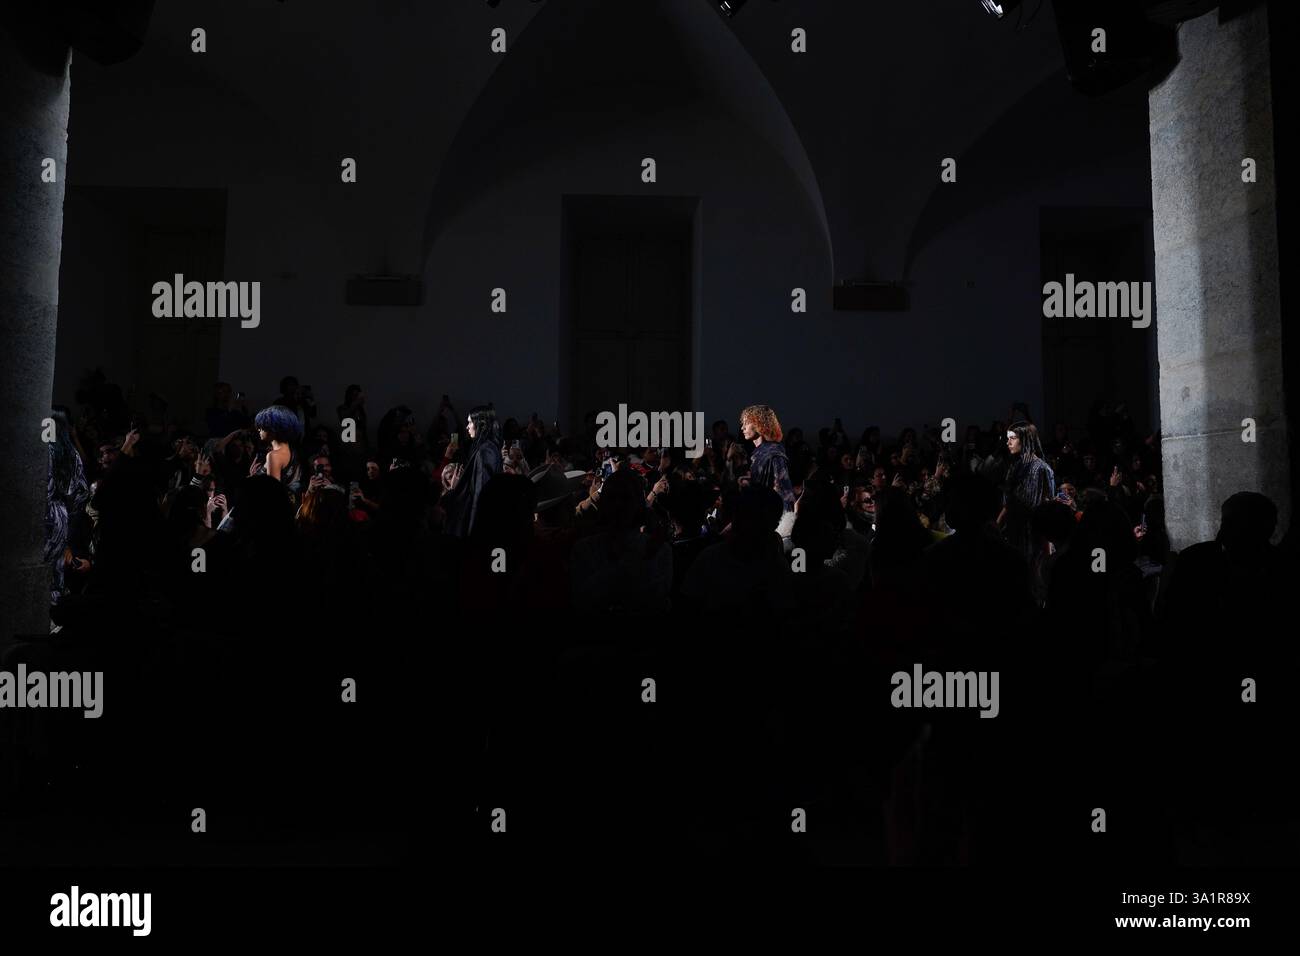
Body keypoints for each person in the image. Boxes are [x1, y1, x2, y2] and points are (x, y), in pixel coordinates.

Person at [45, 409, 91, 607]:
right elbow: (81, 492)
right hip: (61, 515)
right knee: (55, 570)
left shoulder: (43, 451)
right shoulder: (73, 455)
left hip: (42, 513)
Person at [998, 420, 1055, 563]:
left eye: (1012, 438)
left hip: (1032, 534)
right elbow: (1009, 503)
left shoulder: (1041, 469)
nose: (1008, 443)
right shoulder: (1015, 466)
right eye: (1007, 438)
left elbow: (1047, 506)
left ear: (1025, 439)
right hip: (1012, 530)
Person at [441, 405, 502, 538]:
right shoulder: (488, 448)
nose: (467, 427)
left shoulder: (485, 451)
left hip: (479, 526)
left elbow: (480, 494)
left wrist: (472, 532)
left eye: (470, 422)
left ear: (481, 424)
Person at [740, 403, 796, 537]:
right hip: (758, 516)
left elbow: (784, 491)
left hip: (768, 522)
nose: (742, 428)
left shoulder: (773, 454)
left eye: (746, 423)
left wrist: (784, 530)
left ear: (759, 424)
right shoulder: (759, 453)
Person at [252, 404, 304, 499]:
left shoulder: (274, 455)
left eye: (263, 426)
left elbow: (272, 494)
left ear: (273, 428)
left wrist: (253, 479)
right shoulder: (292, 451)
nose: (259, 429)